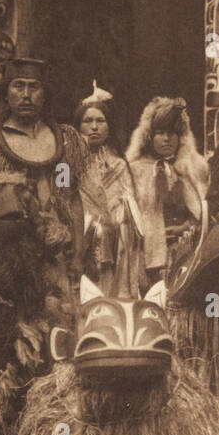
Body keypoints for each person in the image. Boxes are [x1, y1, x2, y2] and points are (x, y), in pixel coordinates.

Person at [0, 57, 91, 276]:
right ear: (6, 93)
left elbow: (70, 197)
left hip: (51, 255)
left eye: (34, 87)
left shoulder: (64, 142)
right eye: (18, 86)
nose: (26, 95)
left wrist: (77, 254)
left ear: (45, 94)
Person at [126, 97, 208, 286]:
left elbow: (202, 213)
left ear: (181, 137)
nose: (166, 139)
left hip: (186, 251)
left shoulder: (192, 169)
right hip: (148, 256)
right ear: (148, 136)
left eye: (172, 133)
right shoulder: (134, 170)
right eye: (160, 133)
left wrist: (186, 227)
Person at [76, 82, 146, 296]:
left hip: (116, 245)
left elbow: (130, 207)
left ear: (109, 126)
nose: (94, 127)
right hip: (81, 241)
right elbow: (61, 199)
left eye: (100, 121)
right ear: (78, 126)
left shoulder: (119, 165)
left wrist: (115, 222)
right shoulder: (67, 165)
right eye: (88, 121)